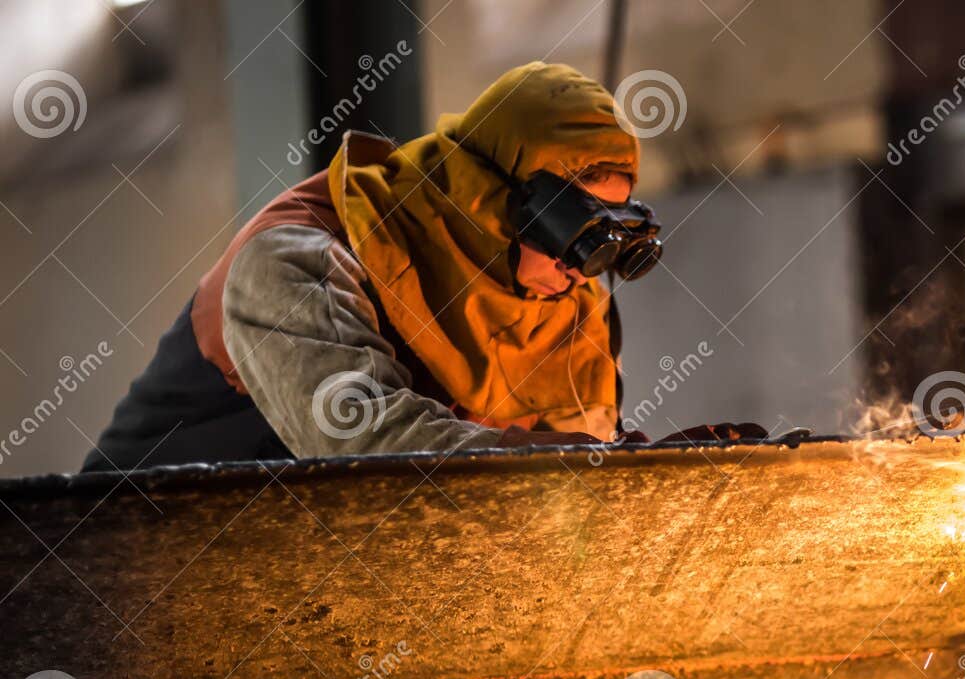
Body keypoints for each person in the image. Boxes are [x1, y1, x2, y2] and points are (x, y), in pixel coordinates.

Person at [82, 61, 759, 472]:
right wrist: (590, 466)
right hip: (129, 585)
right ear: (488, 199)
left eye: (603, 238)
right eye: (570, 228)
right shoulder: (297, 260)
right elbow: (372, 453)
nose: (582, 269)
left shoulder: (560, 303)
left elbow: (568, 497)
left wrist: (658, 472)